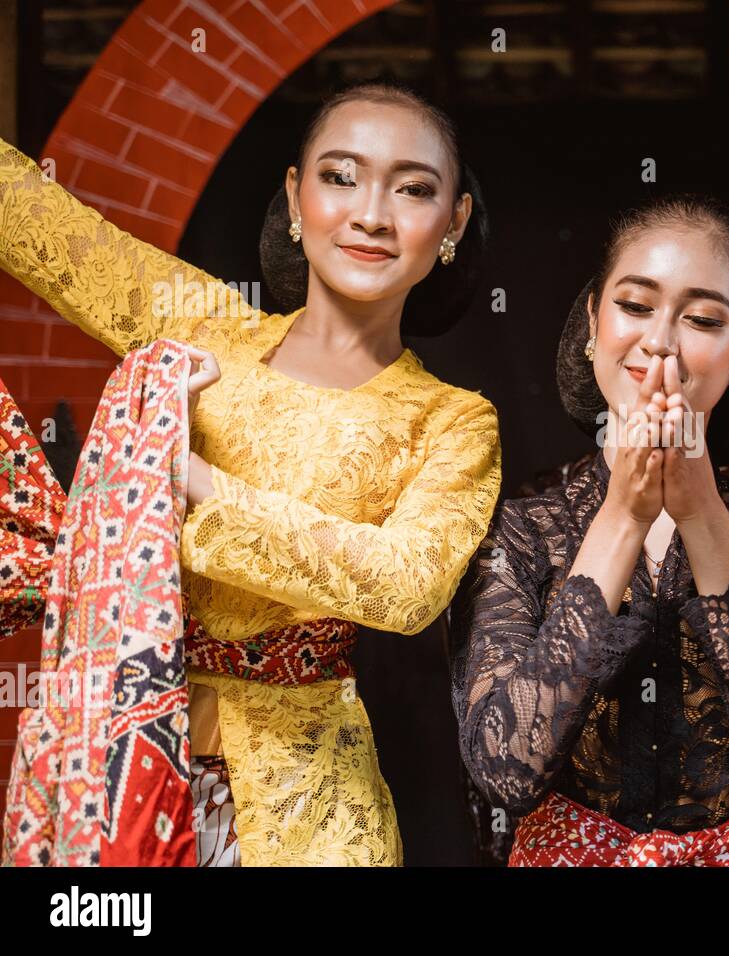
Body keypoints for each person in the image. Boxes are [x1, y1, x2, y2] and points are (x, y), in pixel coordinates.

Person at [0, 81, 501, 865]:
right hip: (118, 769)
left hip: (311, 814)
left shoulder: (452, 419)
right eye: (340, 177)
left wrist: (189, 474)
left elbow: (406, 586)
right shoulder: (199, 324)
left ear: (453, 224)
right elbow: (37, 224)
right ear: (295, 200)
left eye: (412, 189)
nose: (371, 213)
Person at [450, 195, 729, 866]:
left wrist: (699, 512)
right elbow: (505, 770)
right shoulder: (514, 535)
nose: (660, 340)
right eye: (635, 307)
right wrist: (626, 513)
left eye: (700, 319)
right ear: (592, 321)